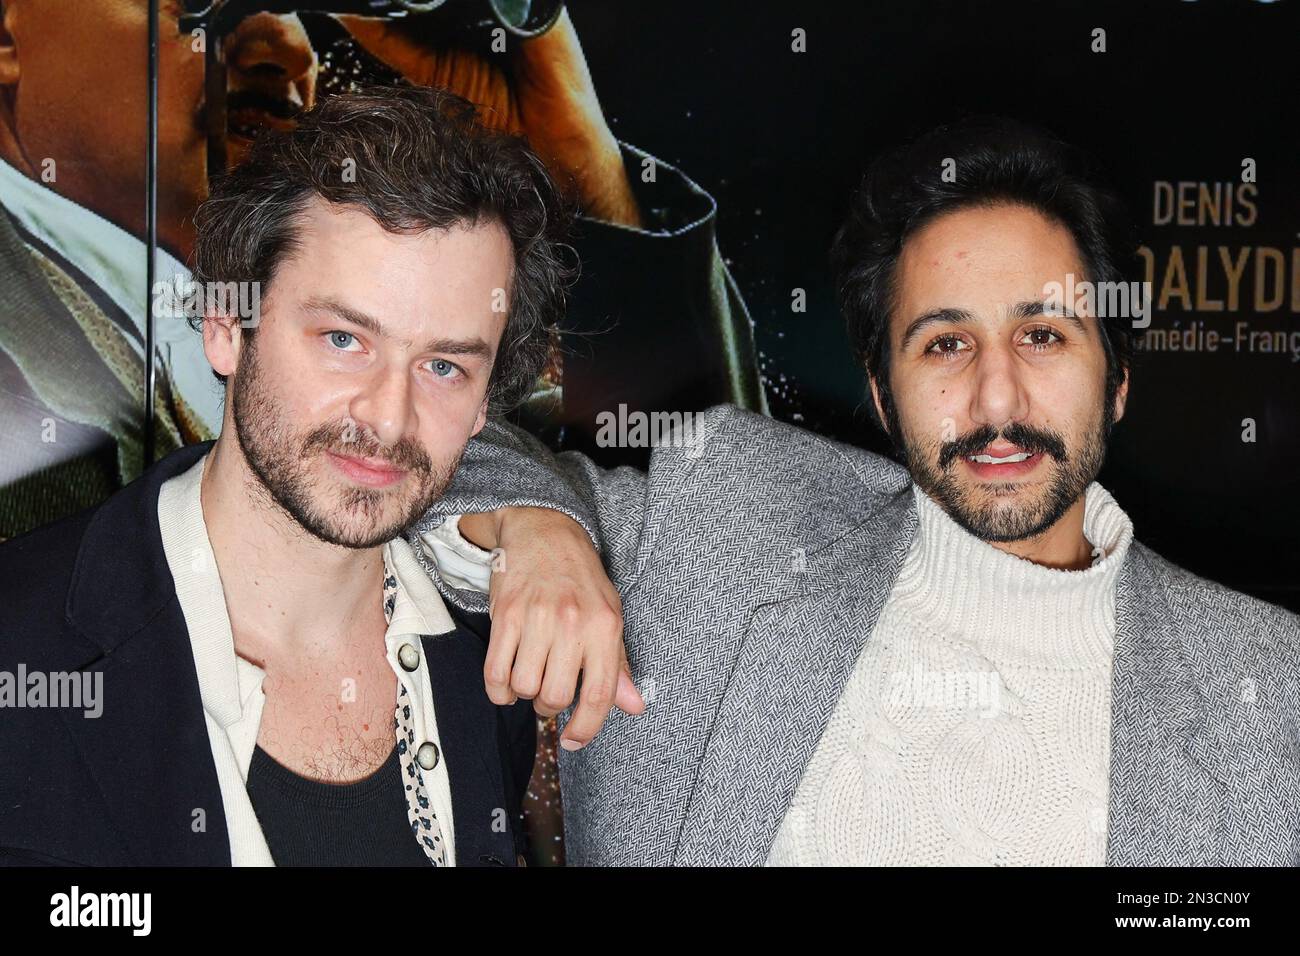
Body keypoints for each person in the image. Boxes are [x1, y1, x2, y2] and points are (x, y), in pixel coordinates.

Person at [412, 117, 1300, 866]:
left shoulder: (1266, 688)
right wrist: (538, 527)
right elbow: (426, 440)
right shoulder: (726, 518)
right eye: (945, 344)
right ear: (882, 392)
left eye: (1042, 334)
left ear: (1118, 380)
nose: (998, 401)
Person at [0, 85, 634, 867]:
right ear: (228, 328)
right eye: (342, 338)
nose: (388, 417)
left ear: (484, 407)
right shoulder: (21, 650)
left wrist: (543, 522)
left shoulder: (494, 660)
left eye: (443, 365)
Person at [0, 0, 763, 541]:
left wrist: (572, 165)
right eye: (205, 6)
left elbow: (701, 573)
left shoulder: (401, 372)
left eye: (296, 6)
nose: (284, 48)